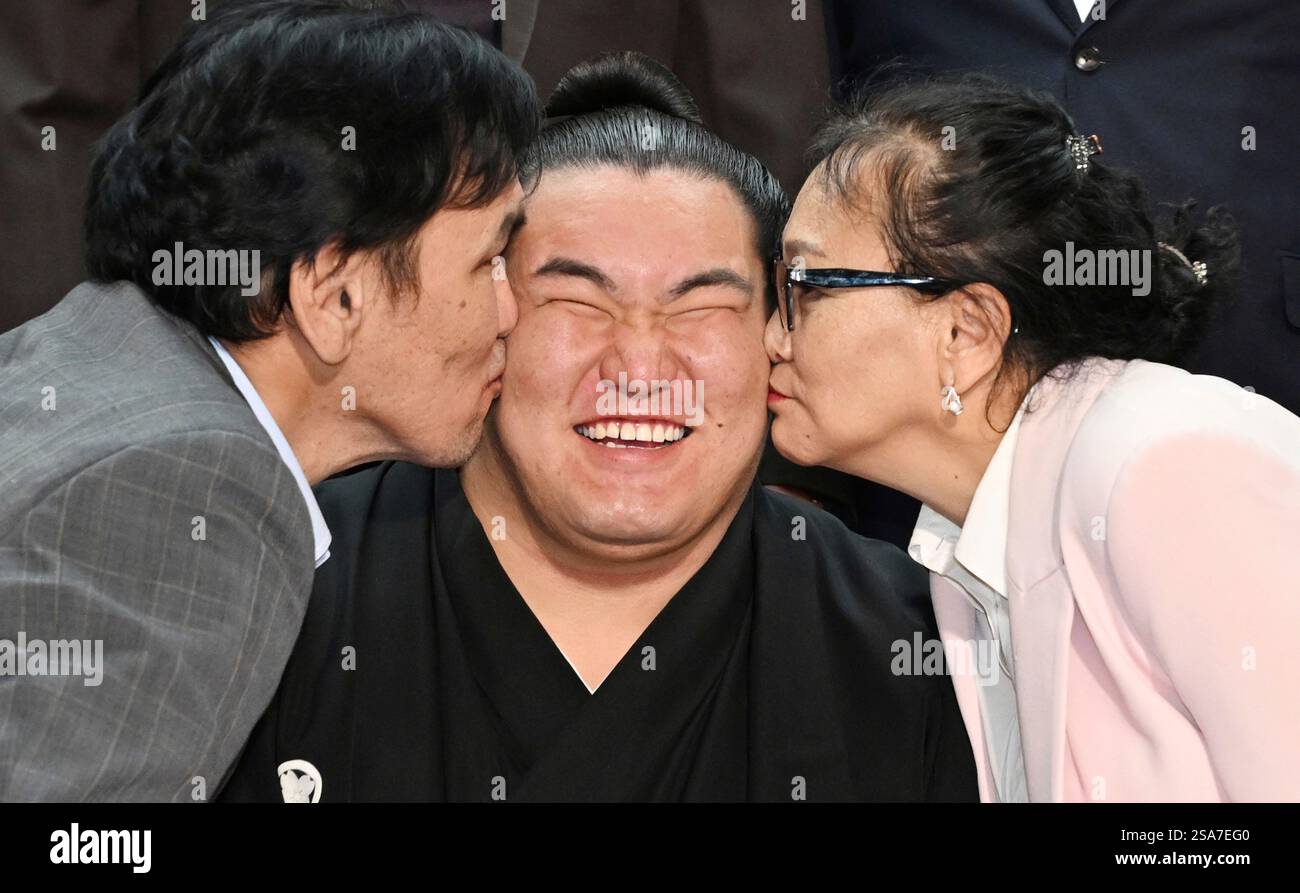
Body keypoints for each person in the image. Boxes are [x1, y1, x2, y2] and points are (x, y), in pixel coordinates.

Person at [220, 53, 978, 803]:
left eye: (700, 306)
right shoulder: (277, 586)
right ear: (486, 313)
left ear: (778, 332)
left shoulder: (916, 643)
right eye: (578, 303)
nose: (640, 366)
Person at [0, 0, 538, 801]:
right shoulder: (195, 484)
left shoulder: (83, 356)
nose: (511, 311)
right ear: (332, 295)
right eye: (491, 258)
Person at [765, 73, 1300, 801]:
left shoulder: (1161, 463)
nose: (772, 334)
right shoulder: (967, 551)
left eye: (807, 284)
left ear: (967, 332)